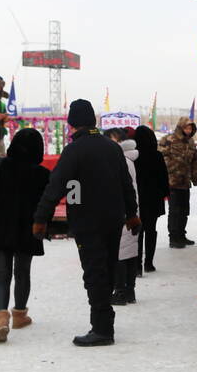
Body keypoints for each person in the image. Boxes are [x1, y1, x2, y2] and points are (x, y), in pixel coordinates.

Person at [33, 100, 139, 347]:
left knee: (94, 272)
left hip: (87, 221)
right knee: (108, 269)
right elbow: (126, 184)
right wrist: (132, 214)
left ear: (72, 123)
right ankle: (105, 324)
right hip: (113, 219)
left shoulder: (75, 150)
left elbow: (56, 185)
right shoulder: (112, 148)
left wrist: (41, 218)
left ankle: (102, 329)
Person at [0, 127, 51, 343]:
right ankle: (19, 315)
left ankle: (1, 318)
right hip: (27, 229)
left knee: (2, 275)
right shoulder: (42, 174)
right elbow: (46, 203)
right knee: (22, 272)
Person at [106, 128, 141, 306]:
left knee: (121, 252)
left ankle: (120, 291)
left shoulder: (121, 161)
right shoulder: (127, 159)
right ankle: (129, 291)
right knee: (129, 250)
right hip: (130, 211)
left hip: (123, 211)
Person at [132, 125, 169, 273]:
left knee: (138, 232)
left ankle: (137, 266)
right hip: (153, 199)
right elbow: (163, 177)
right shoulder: (157, 155)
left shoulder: (133, 156)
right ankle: (149, 263)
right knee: (151, 230)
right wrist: (165, 193)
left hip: (137, 199)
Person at [159, 118, 197, 248]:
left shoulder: (191, 142)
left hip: (185, 182)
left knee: (184, 210)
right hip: (172, 182)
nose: (188, 131)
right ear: (180, 127)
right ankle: (173, 238)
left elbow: (195, 161)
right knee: (174, 211)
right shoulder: (168, 140)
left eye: (190, 129)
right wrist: (169, 169)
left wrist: (195, 177)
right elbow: (159, 157)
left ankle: (181, 235)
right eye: (186, 128)